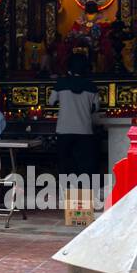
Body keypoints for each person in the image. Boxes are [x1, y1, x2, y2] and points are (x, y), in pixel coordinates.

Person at [49, 53, 100, 194]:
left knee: (65, 163)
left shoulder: (60, 84)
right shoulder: (91, 86)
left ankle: (66, 193)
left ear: (69, 68)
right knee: (84, 165)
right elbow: (96, 108)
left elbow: (51, 102)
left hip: (64, 130)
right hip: (85, 130)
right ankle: (84, 194)